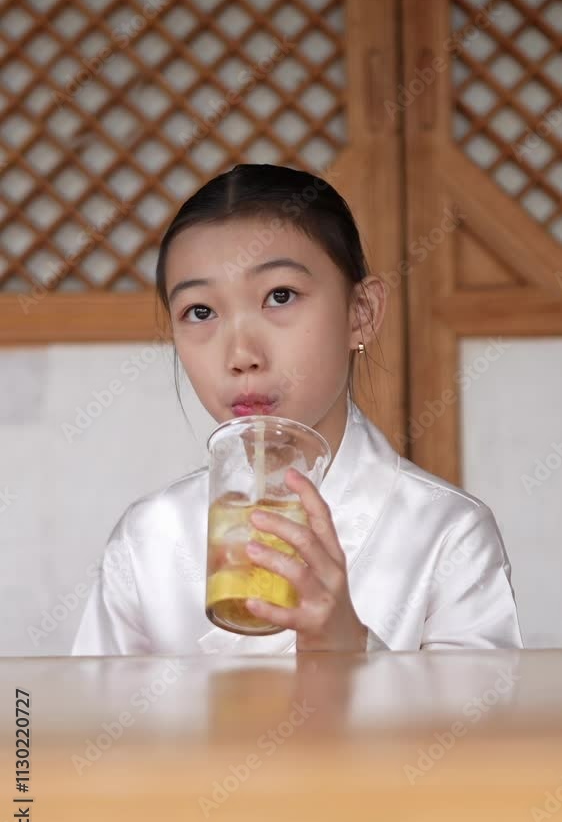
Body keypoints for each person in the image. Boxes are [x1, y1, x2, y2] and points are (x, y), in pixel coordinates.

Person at [71, 164, 523, 656]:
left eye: (279, 296)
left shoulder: (449, 533)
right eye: (200, 311)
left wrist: (349, 649)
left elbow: (480, 729)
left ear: (361, 313)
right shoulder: (149, 537)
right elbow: (93, 726)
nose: (241, 354)